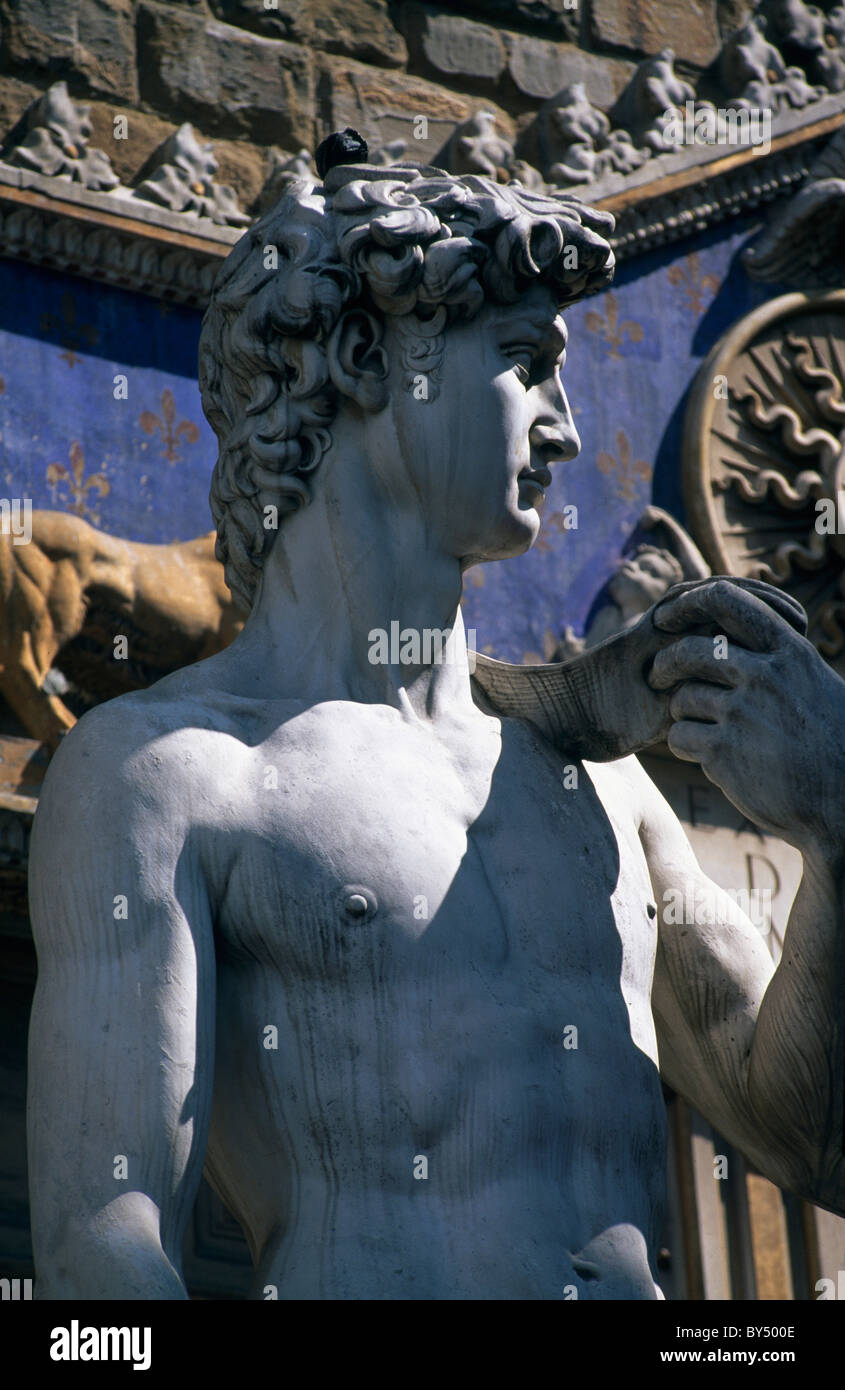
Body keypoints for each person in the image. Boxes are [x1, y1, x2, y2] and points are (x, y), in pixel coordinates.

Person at [27, 145, 845, 1300]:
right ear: (364, 358)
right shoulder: (169, 776)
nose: (565, 429)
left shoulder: (600, 791)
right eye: (524, 364)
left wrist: (837, 824)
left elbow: (816, 1146)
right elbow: (98, 1254)